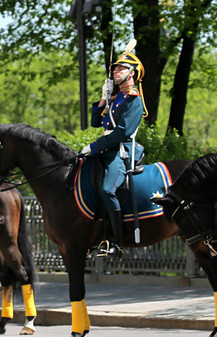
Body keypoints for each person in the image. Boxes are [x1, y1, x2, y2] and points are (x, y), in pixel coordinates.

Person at [80, 51, 147, 257]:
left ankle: (116, 243)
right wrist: (103, 98)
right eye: (115, 68)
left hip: (122, 151)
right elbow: (94, 123)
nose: (116, 71)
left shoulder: (134, 100)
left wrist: (95, 146)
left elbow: (122, 132)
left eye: (121, 68)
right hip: (107, 149)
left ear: (132, 73)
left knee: (108, 190)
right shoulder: (116, 98)